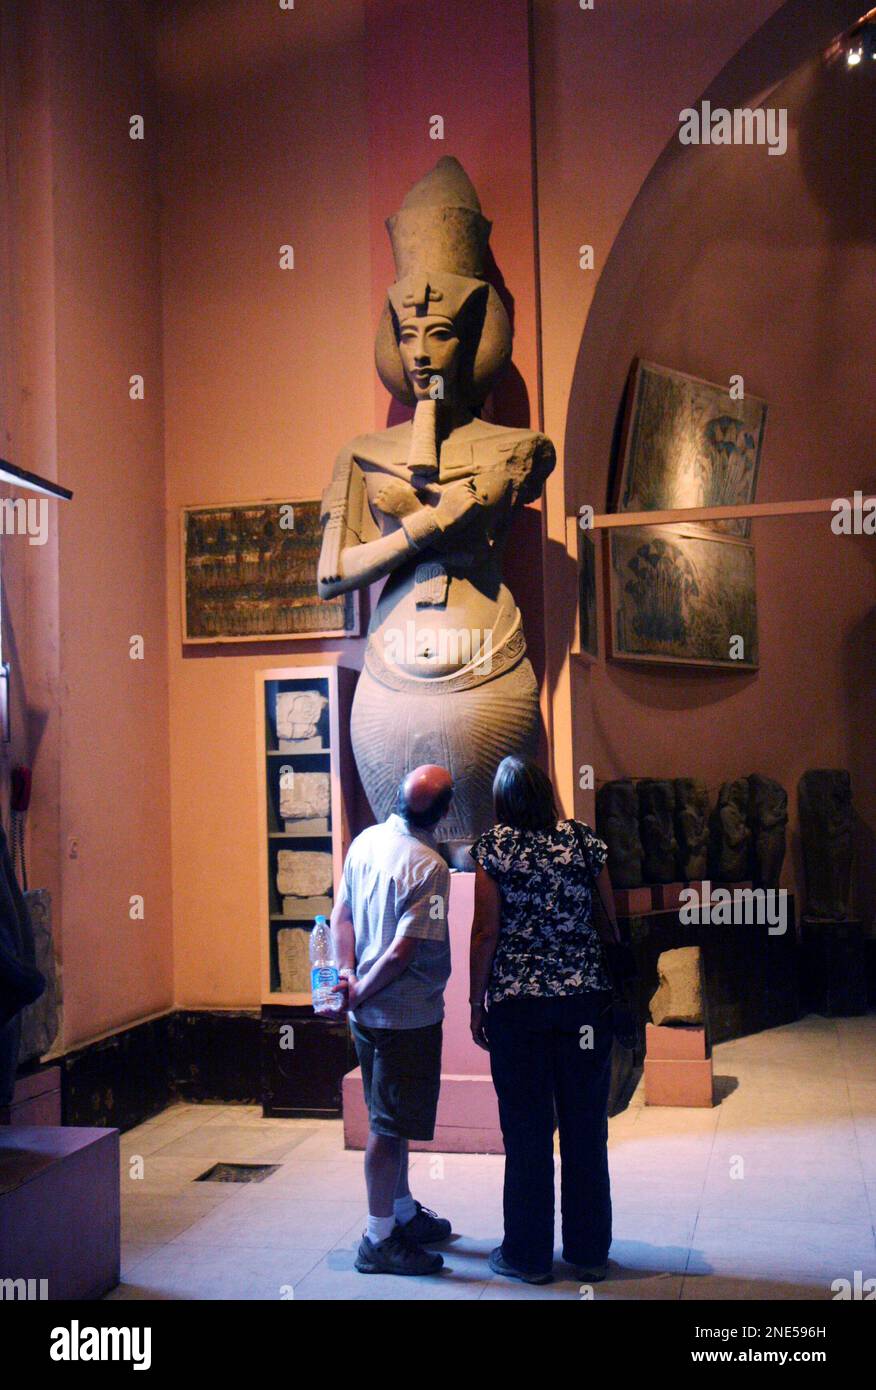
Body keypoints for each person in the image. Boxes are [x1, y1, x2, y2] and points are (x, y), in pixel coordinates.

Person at [469, 755, 617, 1285]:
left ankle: (528, 1256)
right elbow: (609, 923)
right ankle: (588, 1252)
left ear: (503, 799)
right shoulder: (582, 841)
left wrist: (474, 1002)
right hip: (584, 1008)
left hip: (519, 1011)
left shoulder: (493, 848)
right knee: (585, 1128)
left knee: (527, 1132)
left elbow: (485, 932)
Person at [330, 763, 455, 1276]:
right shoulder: (431, 868)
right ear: (445, 815)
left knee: (391, 1119)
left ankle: (401, 1213)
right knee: (386, 1128)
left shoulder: (365, 842)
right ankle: (378, 1238)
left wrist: (347, 976)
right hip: (404, 1017)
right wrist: (362, 987)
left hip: (365, 1014)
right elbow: (404, 952)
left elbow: (341, 917)